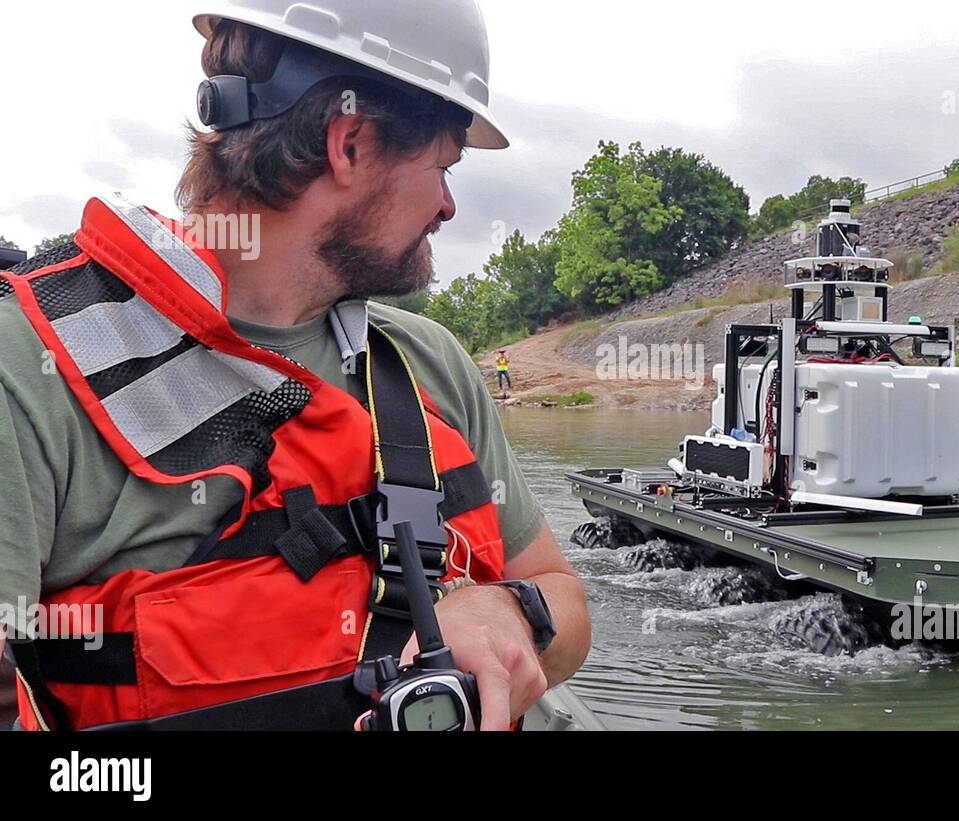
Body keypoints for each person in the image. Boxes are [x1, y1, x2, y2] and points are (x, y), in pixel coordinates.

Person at [0, 0, 591, 731]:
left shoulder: (427, 363)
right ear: (348, 144)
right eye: (442, 165)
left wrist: (511, 607)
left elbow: (559, 591)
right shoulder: (25, 369)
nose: (447, 205)